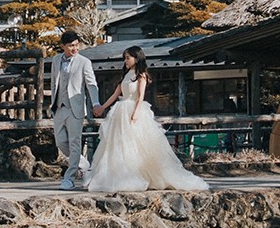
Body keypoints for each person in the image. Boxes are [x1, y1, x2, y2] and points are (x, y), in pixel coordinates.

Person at [86, 45, 209, 192]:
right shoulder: (126, 74)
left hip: (134, 109)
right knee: (119, 143)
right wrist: (102, 107)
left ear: (136, 58)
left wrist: (135, 113)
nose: (125, 61)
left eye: (128, 58)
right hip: (121, 111)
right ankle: (120, 174)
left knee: (138, 143)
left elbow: (140, 96)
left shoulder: (141, 75)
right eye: (125, 58)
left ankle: (140, 174)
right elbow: (115, 94)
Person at [49, 29, 98, 190]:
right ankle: (83, 163)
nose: (75, 48)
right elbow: (54, 83)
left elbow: (91, 84)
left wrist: (95, 103)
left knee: (75, 142)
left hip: (75, 108)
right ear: (63, 46)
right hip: (59, 107)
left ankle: (69, 178)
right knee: (60, 141)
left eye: (77, 45)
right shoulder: (56, 60)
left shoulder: (84, 62)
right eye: (71, 45)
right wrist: (53, 104)